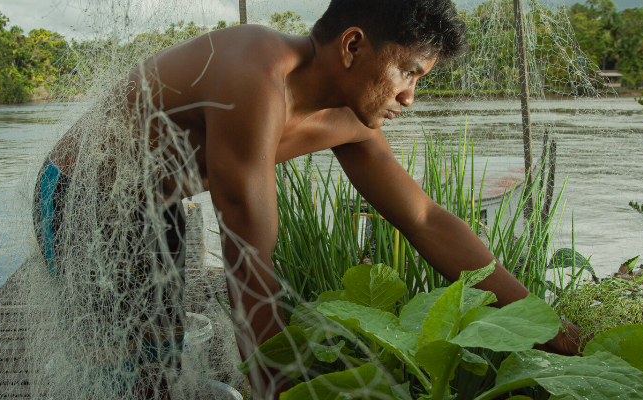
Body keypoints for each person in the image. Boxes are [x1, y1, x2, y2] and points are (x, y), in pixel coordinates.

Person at [35, 0, 581, 398]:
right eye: (408, 73)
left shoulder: (349, 122)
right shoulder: (253, 72)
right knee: (115, 371)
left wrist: (538, 319)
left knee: (160, 363)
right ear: (352, 44)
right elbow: (249, 257)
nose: (411, 98)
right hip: (81, 195)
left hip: (159, 209)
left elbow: (426, 220)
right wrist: (275, 388)